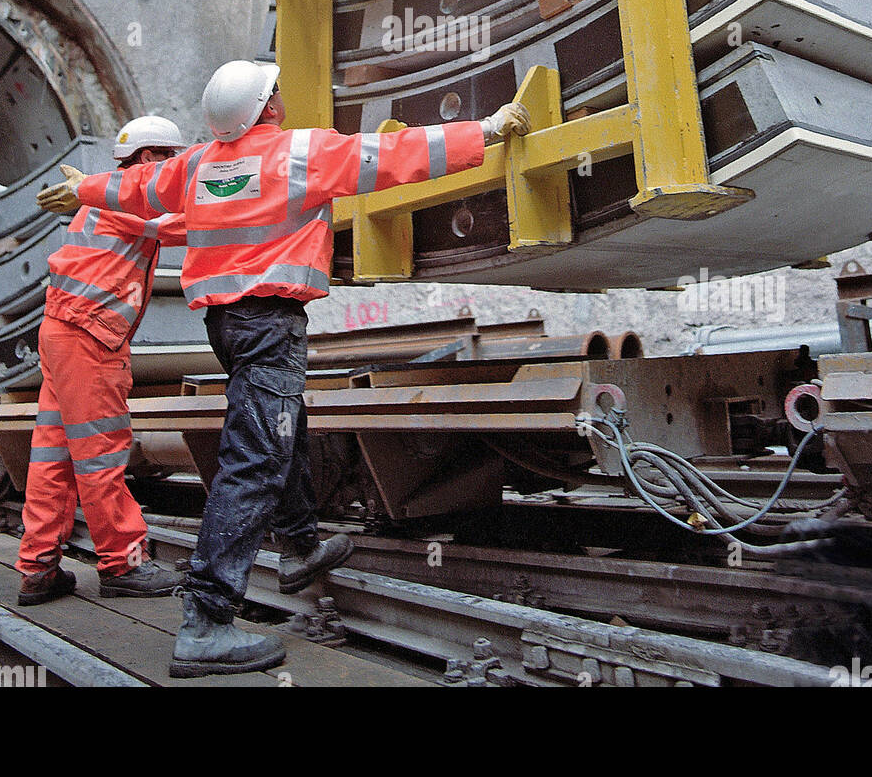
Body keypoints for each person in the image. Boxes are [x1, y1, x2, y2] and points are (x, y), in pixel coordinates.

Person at [37, 60, 530, 674]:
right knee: (256, 458)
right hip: (270, 326)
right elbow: (392, 154)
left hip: (226, 327)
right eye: (276, 91)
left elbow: (137, 189)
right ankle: (206, 620)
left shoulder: (198, 165)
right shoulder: (301, 154)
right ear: (267, 107)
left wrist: (82, 188)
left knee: (280, 426)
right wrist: (484, 131)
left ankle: (300, 547)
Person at [16, 115, 189, 606]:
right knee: (101, 456)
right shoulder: (124, 196)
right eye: (171, 160)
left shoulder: (101, 196)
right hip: (91, 338)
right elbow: (187, 225)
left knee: (55, 454)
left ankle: (38, 570)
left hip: (63, 332)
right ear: (151, 159)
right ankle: (122, 563)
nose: (175, 171)